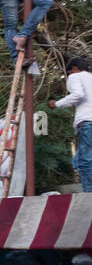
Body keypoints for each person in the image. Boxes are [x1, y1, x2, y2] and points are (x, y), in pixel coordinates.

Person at [48, 57, 92, 192]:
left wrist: (57, 104)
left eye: (68, 73)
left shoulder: (75, 76)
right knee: (80, 160)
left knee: (84, 162)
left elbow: (78, 94)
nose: (68, 76)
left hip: (88, 121)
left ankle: (89, 196)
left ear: (74, 68)